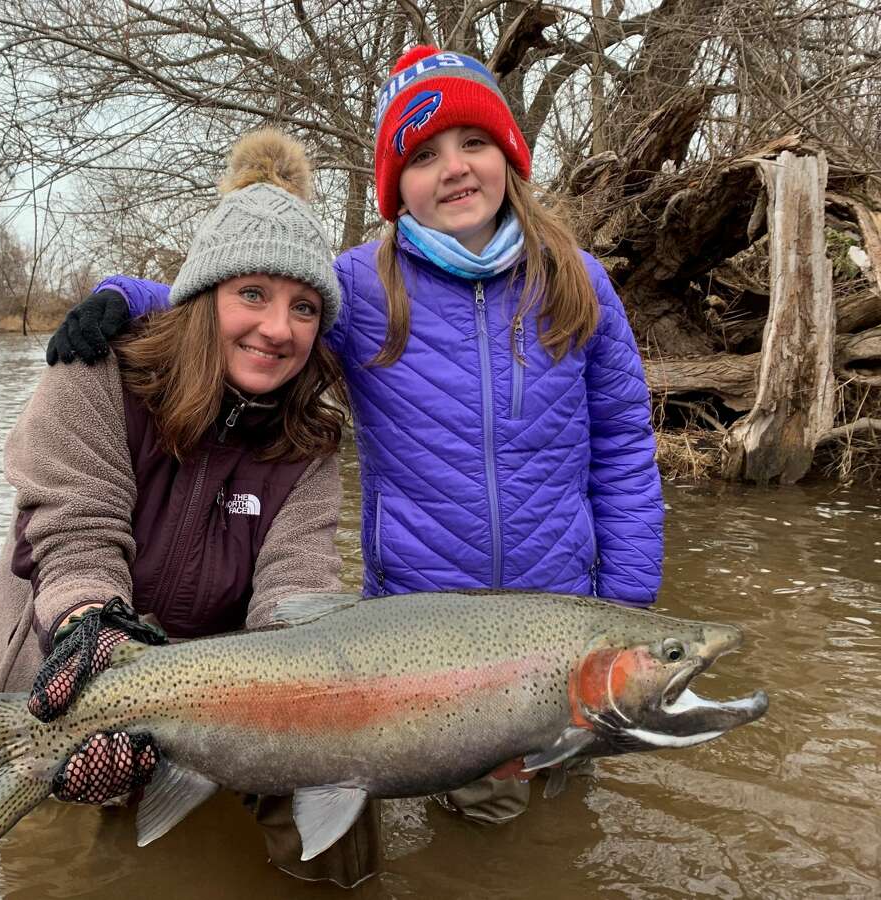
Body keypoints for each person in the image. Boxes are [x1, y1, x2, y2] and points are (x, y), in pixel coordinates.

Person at [46, 46, 665, 824]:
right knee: (478, 812)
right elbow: (247, 300)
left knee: (562, 816)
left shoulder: (580, 280)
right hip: (417, 644)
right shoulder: (363, 285)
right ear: (395, 187)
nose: (454, 168)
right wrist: (122, 297)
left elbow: (624, 453)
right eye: (423, 156)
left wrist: (626, 608)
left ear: (510, 156)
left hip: (561, 621)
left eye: (474, 142)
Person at [0, 129, 378, 887]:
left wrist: (312, 702)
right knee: (57, 864)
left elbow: (295, 592)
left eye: (303, 307)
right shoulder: (96, 371)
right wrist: (93, 635)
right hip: (63, 653)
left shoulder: (310, 444)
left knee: (343, 779)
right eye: (252, 294)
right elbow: (75, 539)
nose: (278, 328)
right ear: (203, 299)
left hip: (211, 687)